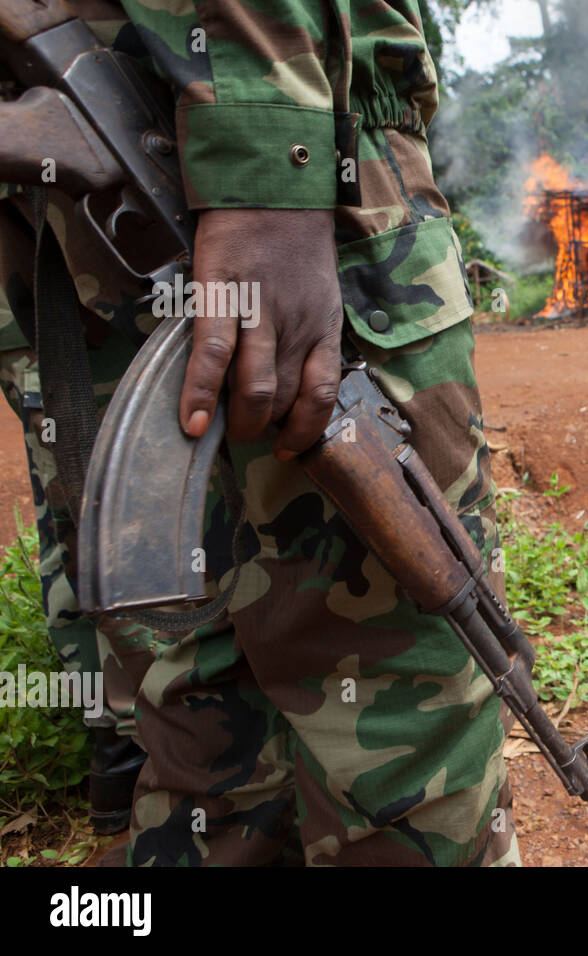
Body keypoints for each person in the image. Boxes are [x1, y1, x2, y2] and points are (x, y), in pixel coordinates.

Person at [0, 0, 519, 865]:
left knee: (355, 707)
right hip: (238, 186)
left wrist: (267, 162)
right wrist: (269, 173)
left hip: (243, 160)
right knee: (198, 699)